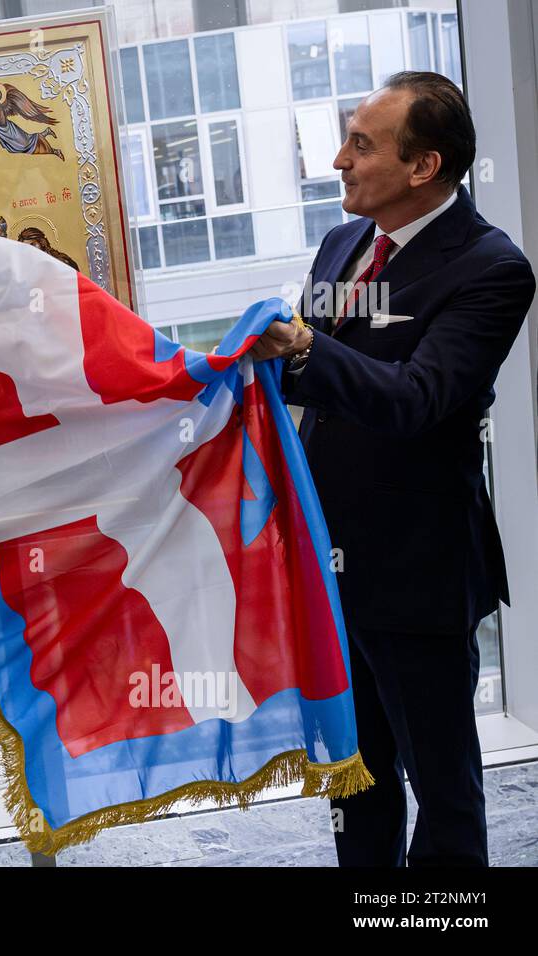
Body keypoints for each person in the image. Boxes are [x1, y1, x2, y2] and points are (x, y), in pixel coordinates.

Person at [249, 72, 536, 866]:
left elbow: (417, 400)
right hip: (329, 563)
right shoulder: (343, 242)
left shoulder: (492, 269)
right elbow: (320, 389)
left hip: (419, 573)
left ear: (423, 167)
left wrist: (307, 345)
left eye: (362, 143)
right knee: (356, 781)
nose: (338, 160)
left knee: (442, 795)